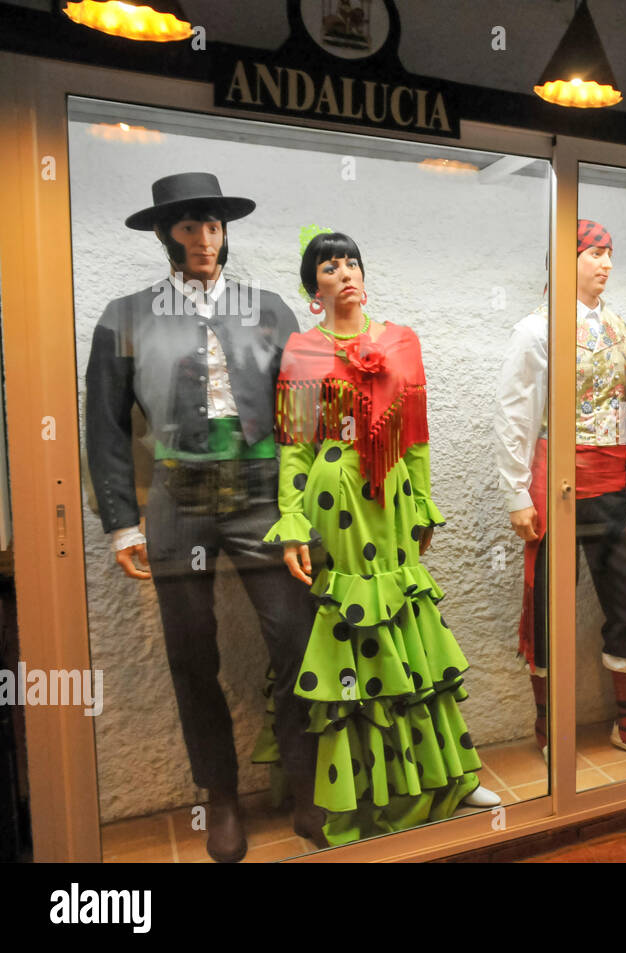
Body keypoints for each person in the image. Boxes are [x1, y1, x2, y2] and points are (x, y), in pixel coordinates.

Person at [85, 172, 317, 863]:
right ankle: (218, 795)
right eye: (189, 226)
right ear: (165, 235)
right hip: (178, 498)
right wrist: (123, 521)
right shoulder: (124, 315)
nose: (204, 239)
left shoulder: (270, 308)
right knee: (191, 654)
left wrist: (301, 507)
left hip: (263, 494)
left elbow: (301, 416)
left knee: (297, 640)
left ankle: (306, 783)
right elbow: (104, 425)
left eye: (213, 226)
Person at [265, 230, 498, 846]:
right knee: (354, 628)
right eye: (329, 265)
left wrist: (421, 505)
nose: (344, 272)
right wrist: (292, 523)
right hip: (336, 500)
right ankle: (362, 792)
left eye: (351, 262)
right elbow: (294, 447)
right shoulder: (303, 352)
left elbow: (416, 437)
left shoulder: (401, 342)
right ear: (312, 285)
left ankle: (445, 776)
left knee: (409, 622)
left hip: (391, 499)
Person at [493, 220, 626, 763]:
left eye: (609, 253)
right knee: (549, 605)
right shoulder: (537, 330)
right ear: (565, 260)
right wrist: (515, 492)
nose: (605, 264)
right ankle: (549, 726)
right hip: (556, 482)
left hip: (612, 480)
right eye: (593, 253)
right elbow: (516, 414)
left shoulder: (620, 328)